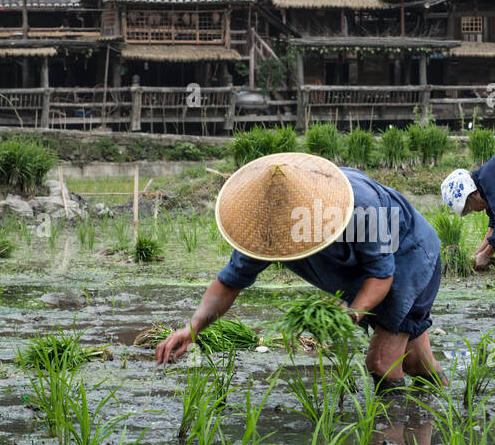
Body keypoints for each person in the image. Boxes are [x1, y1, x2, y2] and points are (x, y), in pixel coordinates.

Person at [156, 152, 445, 389]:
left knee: (382, 363)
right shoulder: (266, 229)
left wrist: (350, 314)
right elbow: (229, 282)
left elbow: (382, 276)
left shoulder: (360, 208)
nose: (282, 234)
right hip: (367, 275)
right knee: (413, 362)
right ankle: (443, 413)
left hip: (409, 257)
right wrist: (192, 329)